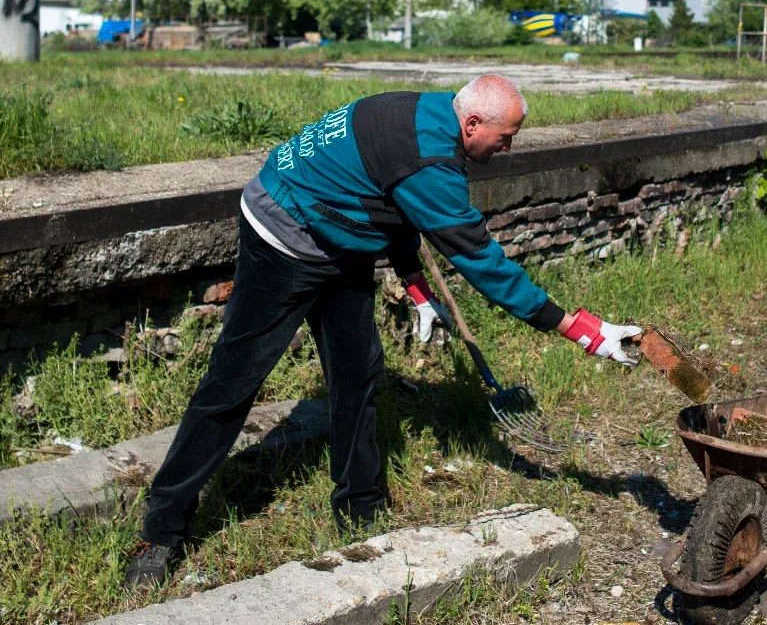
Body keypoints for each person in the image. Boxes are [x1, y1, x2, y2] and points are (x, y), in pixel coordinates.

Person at [123, 75, 643, 587]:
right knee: (233, 384)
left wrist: (416, 287)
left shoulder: (430, 118)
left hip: (339, 235)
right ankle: (161, 530)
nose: (509, 148)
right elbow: (481, 261)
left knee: (358, 373)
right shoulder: (428, 160)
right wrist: (578, 329)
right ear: (472, 122)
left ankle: (359, 508)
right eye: (505, 137)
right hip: (284, 231)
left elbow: (387, 199)